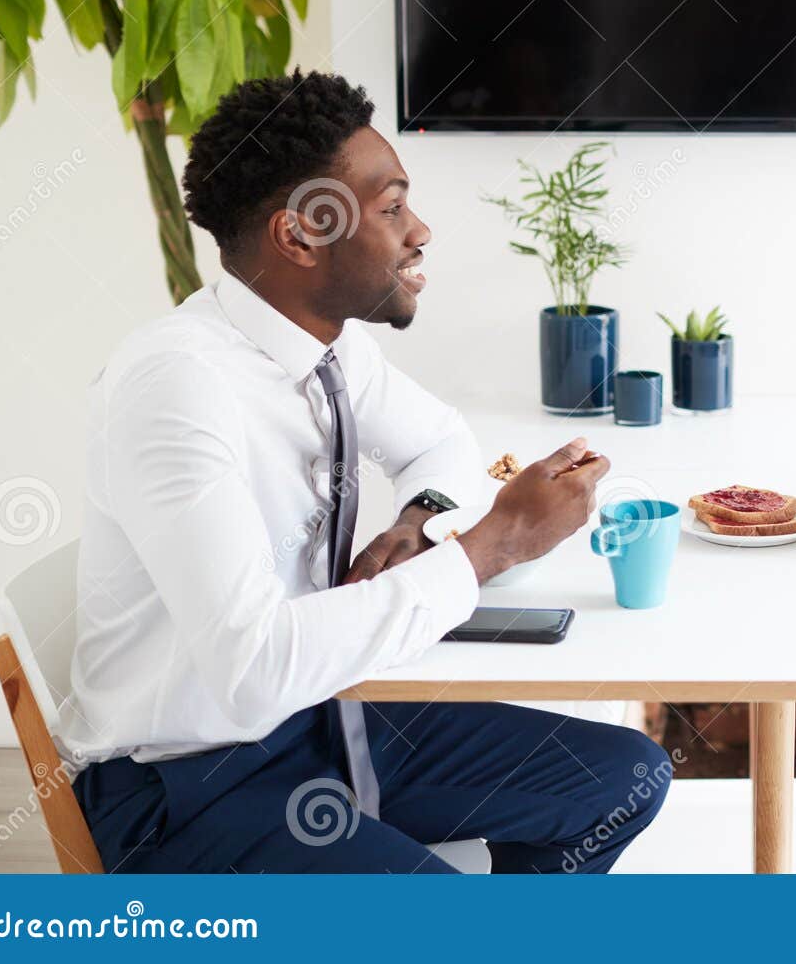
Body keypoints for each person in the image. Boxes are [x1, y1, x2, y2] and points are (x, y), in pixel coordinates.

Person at [64, 71, 669, 873]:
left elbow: (442, 441)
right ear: (299, 236)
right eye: (390, 209)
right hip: (184, 789)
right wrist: (492, 546)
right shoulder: (176, 386)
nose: (420, 230)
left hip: (316, 719)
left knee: (627, 775)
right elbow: (253, 671)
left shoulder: (327, 345)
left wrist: (420, 521)